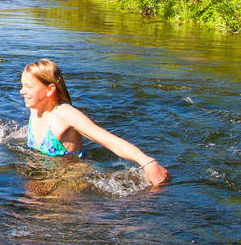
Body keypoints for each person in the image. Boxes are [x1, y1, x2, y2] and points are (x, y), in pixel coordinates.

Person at [18, 58, 170, 186]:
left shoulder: (65, 114)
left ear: (50, 89)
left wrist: (148, 163)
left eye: (28, 86)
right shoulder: (35, 109)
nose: (22, 91)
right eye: (22, 85)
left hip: (73, 179)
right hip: (44, 176)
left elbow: (110, 141)